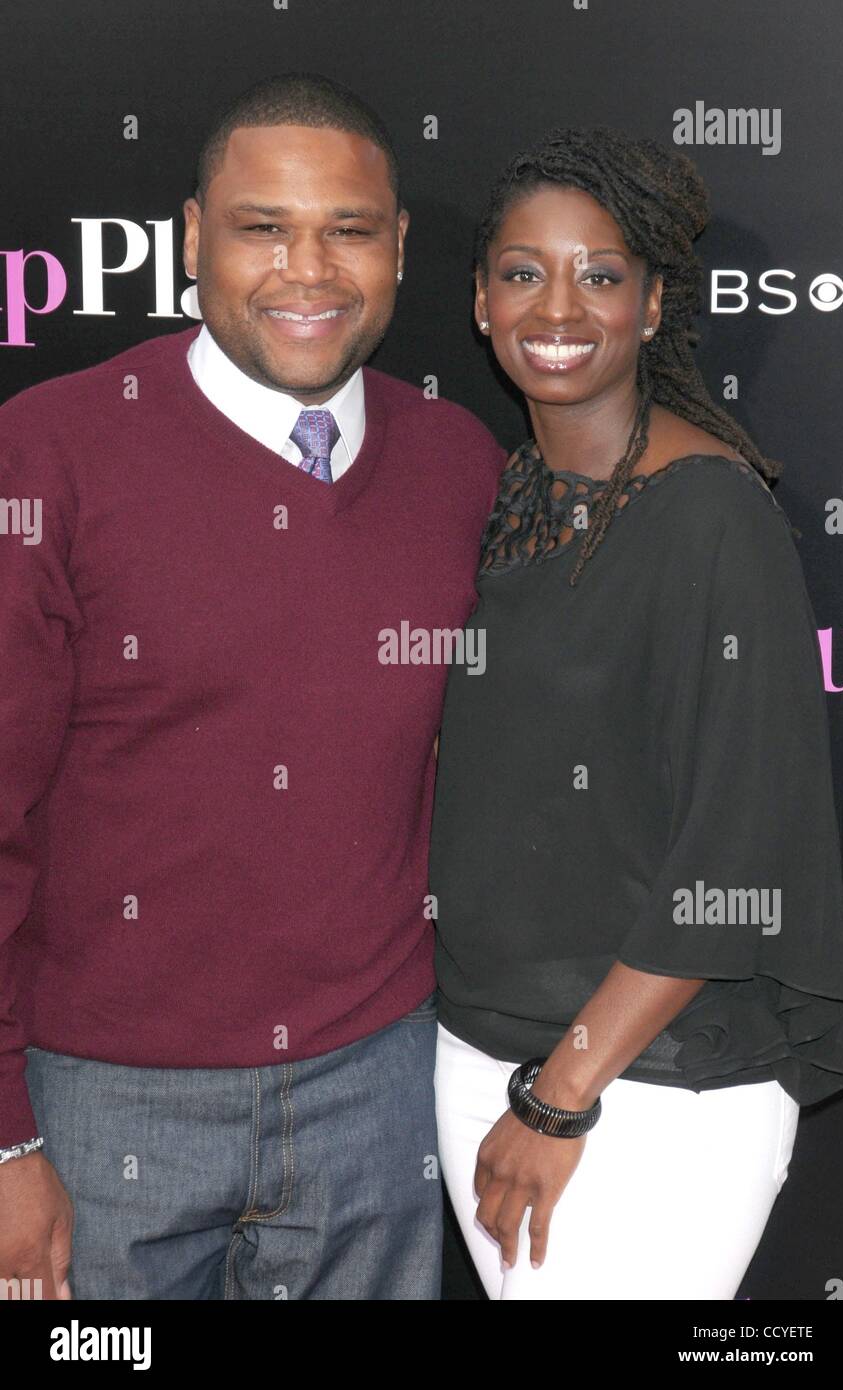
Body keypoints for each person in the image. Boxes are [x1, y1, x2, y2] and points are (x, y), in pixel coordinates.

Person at [0, 72, 505, 1300]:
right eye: (261, 227)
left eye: (345, 228)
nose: (307, 270)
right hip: (99, 1096)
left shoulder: (458, 460)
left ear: (397, 246)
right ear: (190, 237)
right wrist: (4, 1134)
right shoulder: (50, 451)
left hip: (380, 1084)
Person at [428, 125, 843, 1301]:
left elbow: (733, 857)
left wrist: (557, 1094)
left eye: (600, 274)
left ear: (653, 302)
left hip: (648, 1090)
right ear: (478, 300)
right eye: (522, 271)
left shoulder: (710, 515)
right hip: (477, 1051)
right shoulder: (508, 493)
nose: (556, 305)